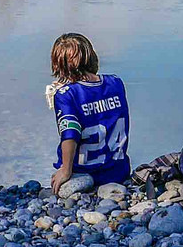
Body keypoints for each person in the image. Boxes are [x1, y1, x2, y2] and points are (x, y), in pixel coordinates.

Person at [47, 33, 131, 196]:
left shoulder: (66, 94)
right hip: (118, 171)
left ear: (58, 65)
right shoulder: (116, 83)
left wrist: (65, 170)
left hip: (84, 171)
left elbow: (70, 135)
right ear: (92, 56)